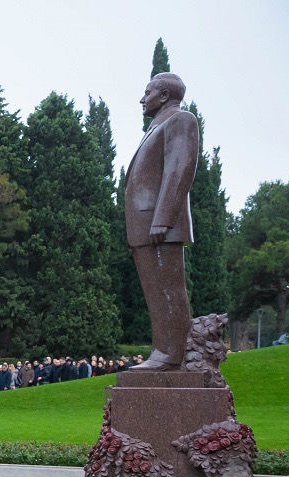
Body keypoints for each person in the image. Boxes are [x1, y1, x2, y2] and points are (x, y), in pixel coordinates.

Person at [126, 72, 199, 370]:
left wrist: (163, 219)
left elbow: (179, 169)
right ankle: (162, 351)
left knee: (168, 289)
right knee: (155, 292)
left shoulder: (180, 120)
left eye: (148, 93)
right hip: (145, 222)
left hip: (159, 223)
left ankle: (171, 355)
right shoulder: (157, 125)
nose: (142, 99)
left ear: (165, 95)